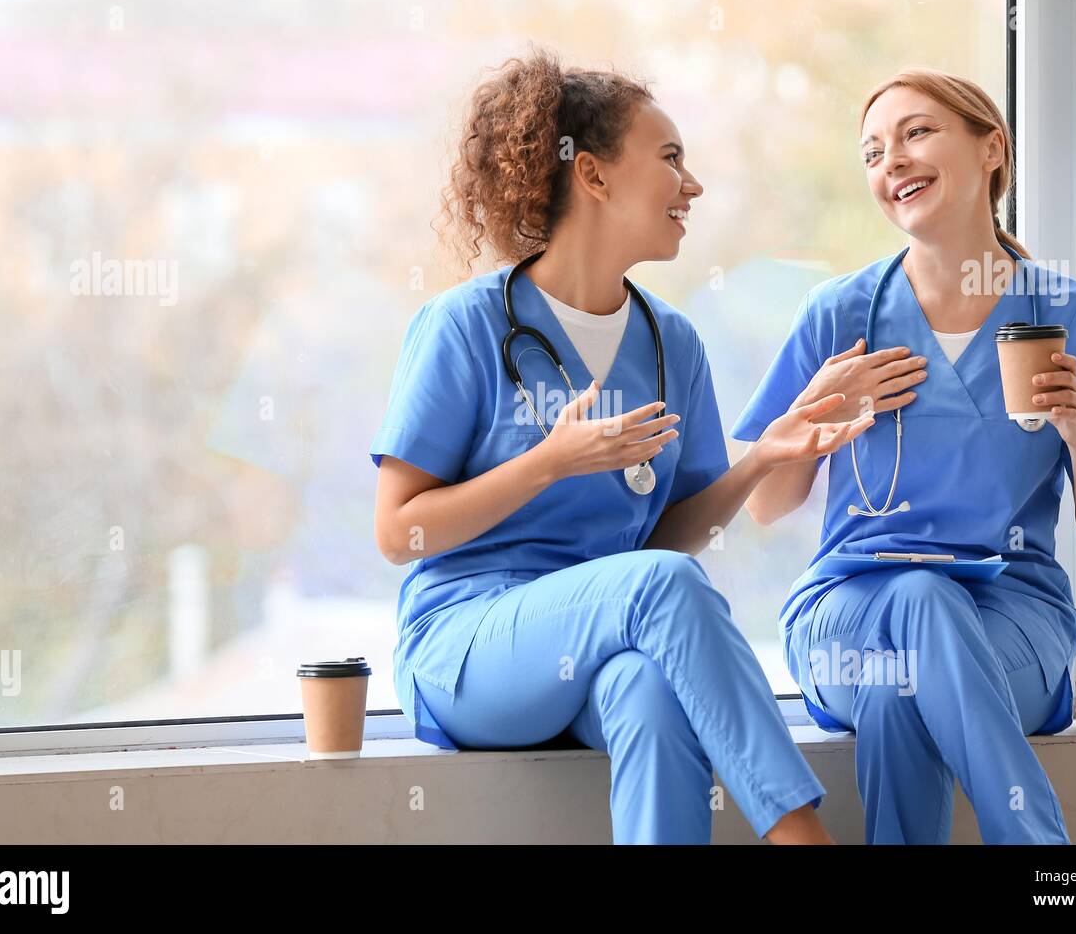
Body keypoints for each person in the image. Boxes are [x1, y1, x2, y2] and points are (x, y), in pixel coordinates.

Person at [370, 50, 875, 844]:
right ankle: (801, 835)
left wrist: (762, 461)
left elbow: (666, 540)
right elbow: (400, 534)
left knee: (651, 691)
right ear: (595, 177)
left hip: (604, 647)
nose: (694, 185)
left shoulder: (673, 345)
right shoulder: (465, 327)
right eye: (671, 159)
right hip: (469, 647)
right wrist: (549, 462)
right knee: (658, 589)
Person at [732, 68, 1076, 844]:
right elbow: (767, 506)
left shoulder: (1072, 316)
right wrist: (817, 416)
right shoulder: (839, 316)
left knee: (910, 666)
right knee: (915, 600)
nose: (891, 160)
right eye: (872, 152)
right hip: (846, 617)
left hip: (1013, 623)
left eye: (916, 133)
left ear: (991, 148)